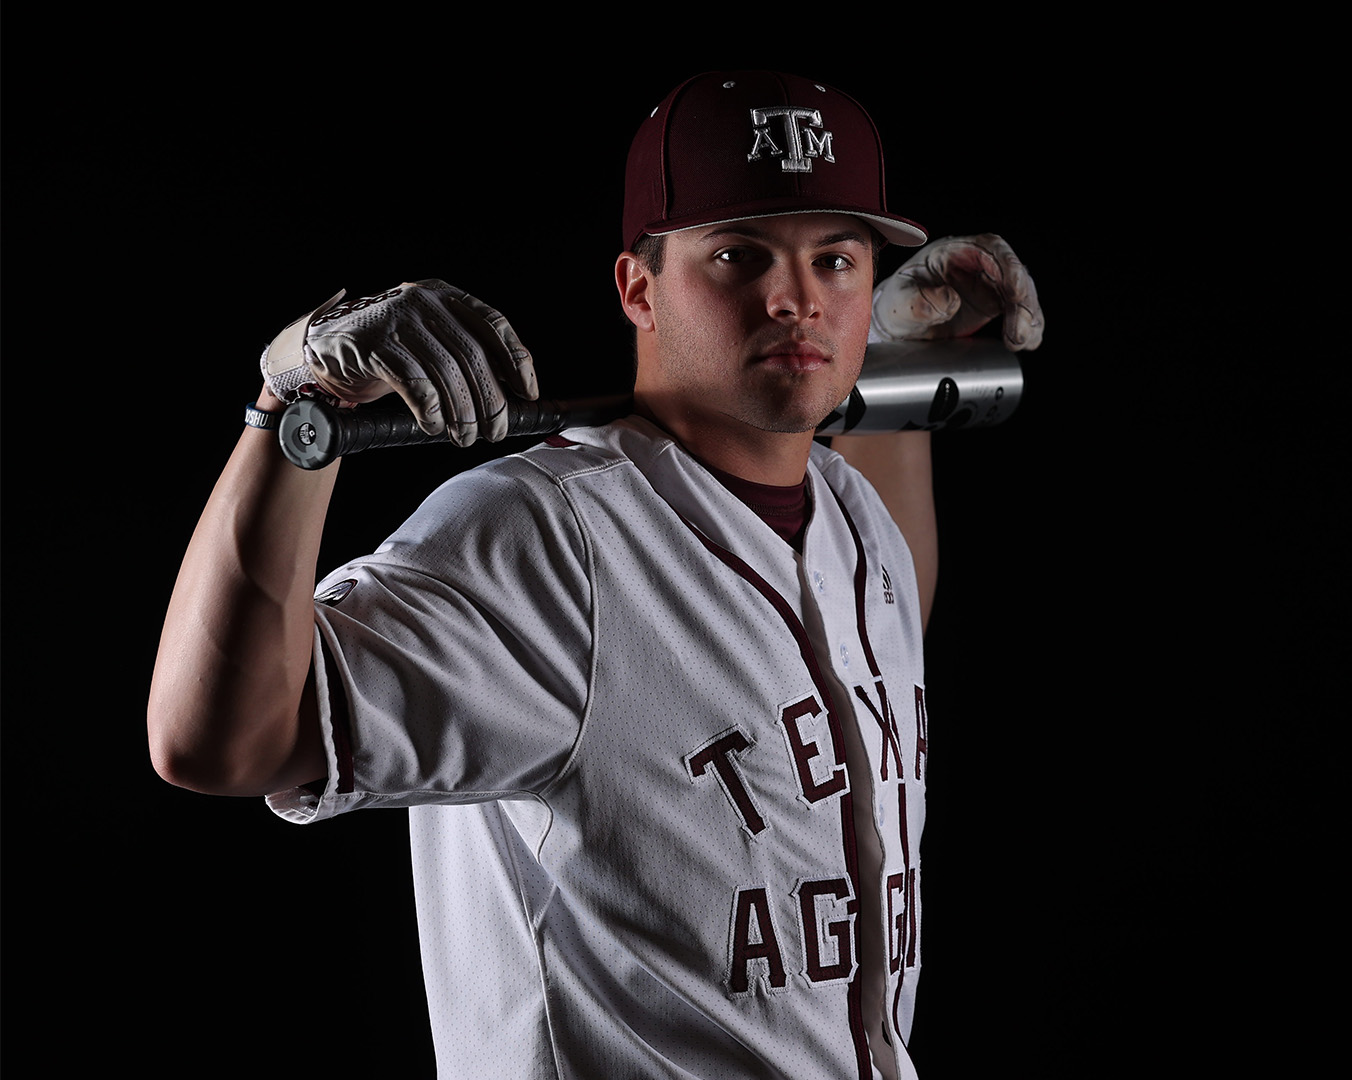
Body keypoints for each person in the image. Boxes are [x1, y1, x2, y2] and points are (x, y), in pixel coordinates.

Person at [147, 69, 1042, 1079]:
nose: (796, 299)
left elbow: (873, 641)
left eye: (834, 259)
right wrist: (289, 413)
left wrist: (890, 360)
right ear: (637, 287)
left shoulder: (852, 515)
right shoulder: (545, 537)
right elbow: (215, 743)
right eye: (738, 254)